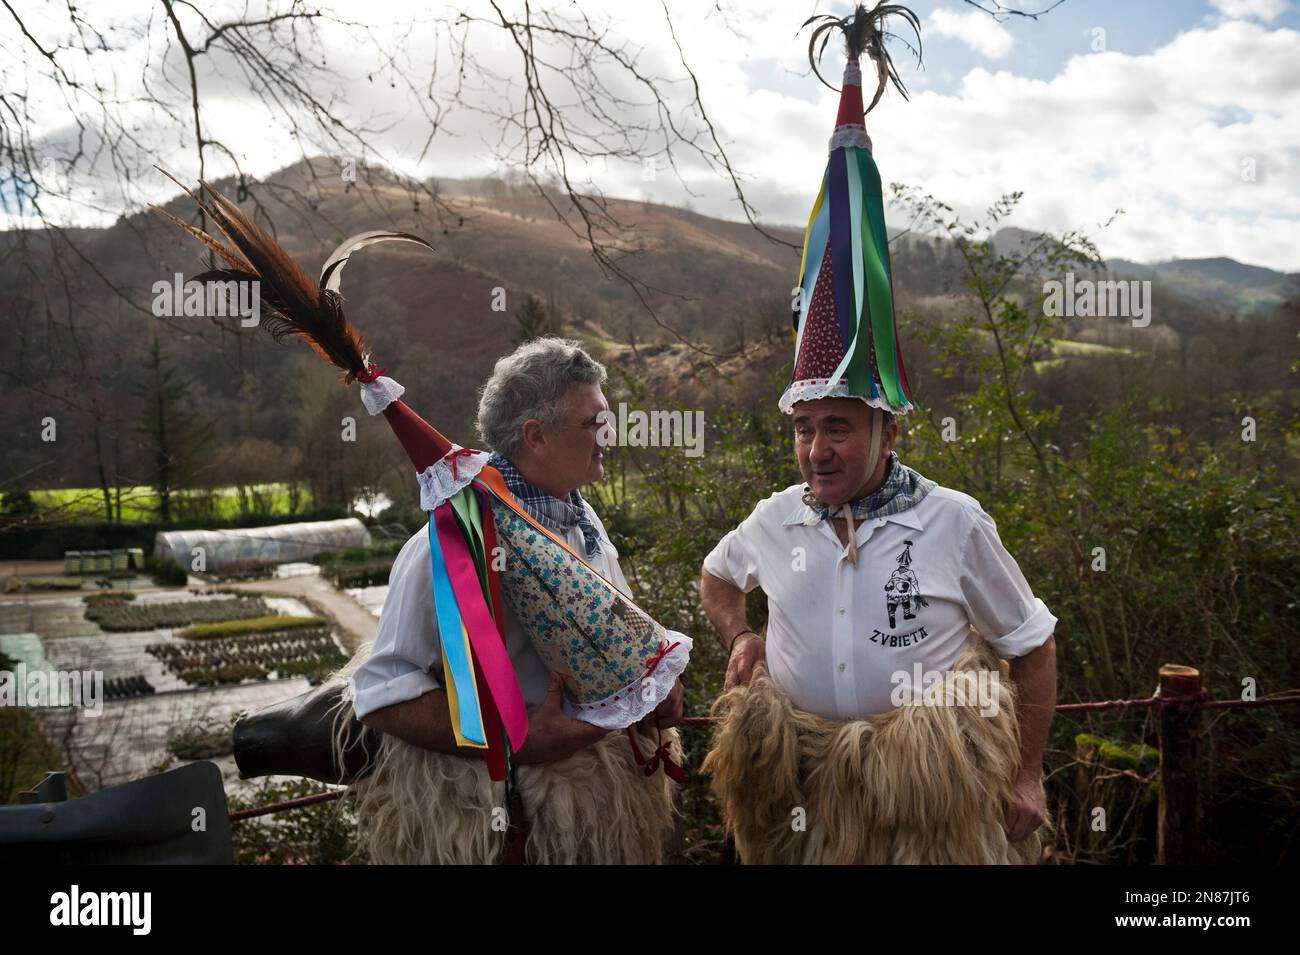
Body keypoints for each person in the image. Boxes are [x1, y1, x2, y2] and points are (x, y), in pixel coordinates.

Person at [698, 5, 1056, 865]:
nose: (817, 449)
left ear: (888, 430)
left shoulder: (954, 521)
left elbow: (1033, 645)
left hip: (927, 806)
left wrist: (1029, 772)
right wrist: (741, 636)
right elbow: (715, 578)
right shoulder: (774, 518)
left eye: (840, 429)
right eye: (806, 429)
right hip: (805, 797)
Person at [345, 338, 685, 864]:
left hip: (602, 814)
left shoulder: (583, 521)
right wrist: (514, 737)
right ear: (536, 436)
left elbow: (621, 632)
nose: (607, 437)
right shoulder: (448, 546)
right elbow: (383, 694)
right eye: (593, 423)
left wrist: (655, 682)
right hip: (512, 824)